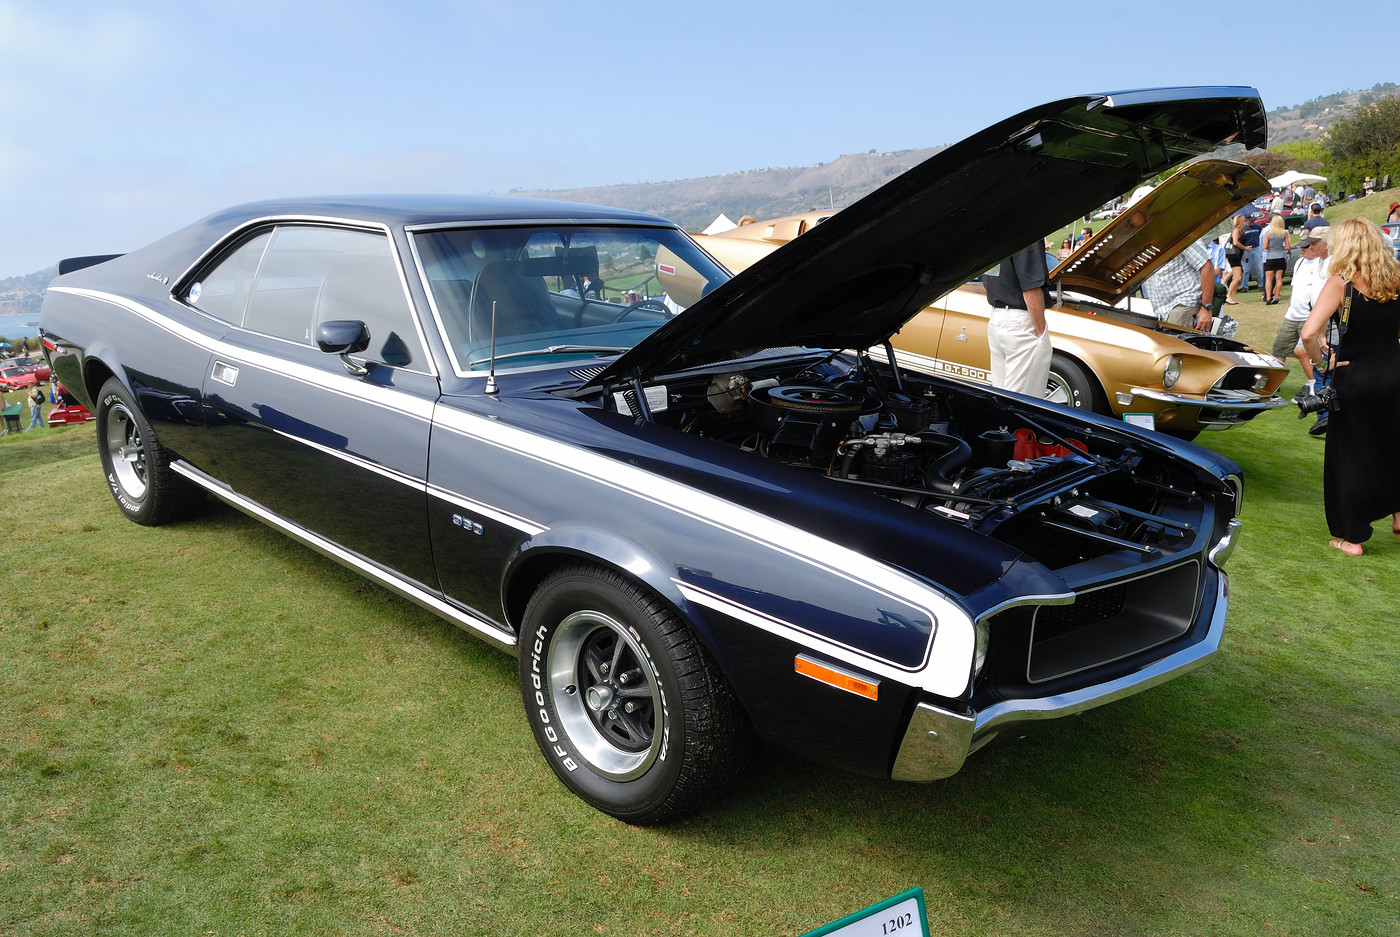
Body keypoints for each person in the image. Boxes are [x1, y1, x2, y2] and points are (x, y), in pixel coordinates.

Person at [1299, 218, 1400, 555]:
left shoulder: (1340, 284)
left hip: (1355, 377)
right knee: (1391, 445)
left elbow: (1309, 334)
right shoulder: (1396, 279)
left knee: (1353, 455)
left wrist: (1321, 361)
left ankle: (1353, 537)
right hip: (1393, 374)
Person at [1272, 227, 1330, 426]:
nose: (1304, 249)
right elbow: (1296, 288)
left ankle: (1314, 387)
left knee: (1301, 352)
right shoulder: (1299, 262)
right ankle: (1273, 387)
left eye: (1308, 246)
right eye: (1303, 246)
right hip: (1293, 314)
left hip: (1310, 316)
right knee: (1279, 349)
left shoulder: (1324, 264)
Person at [983, 242, 1052, 397]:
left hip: (997, 318)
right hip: (1020, 322)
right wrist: (1041, 332)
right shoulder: (1027, 230)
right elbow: (1031, 288)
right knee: (1020, 403)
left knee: (1001, 396)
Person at [1142, 238, 1215, 329]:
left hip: (1183, 305)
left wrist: (1206, 308)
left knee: (1175, 343)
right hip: (1161, 311)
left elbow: (1207, 266)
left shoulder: (1181, 233)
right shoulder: (1142, 240)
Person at [1261, 215, 1289, 305]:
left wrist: (1271, 246)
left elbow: (1264, 247)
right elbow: (1288, 247)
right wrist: (1281, 247)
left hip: (1270, 258)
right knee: (1279, 279)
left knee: (1268, 279)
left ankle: (1268, 297)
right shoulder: (1284, 233)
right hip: (1280, 257)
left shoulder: (1268, 233)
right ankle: (1276, 296)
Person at [1225, 215, 1246, 303]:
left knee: (1237, 277)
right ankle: (1228, 296)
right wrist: (1245, 248)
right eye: (1244, 221)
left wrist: (1242, 253)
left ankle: (1234, 297)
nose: (1245, 222)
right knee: (1238, 277)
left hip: (1237, 255)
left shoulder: (1241, 230)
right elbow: (1235, 242)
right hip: (1233, 255)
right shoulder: (1236, 230)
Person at [1240, 212, 1263, 292]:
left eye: (1253, 221)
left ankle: (1261, 285)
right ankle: (1244, 286)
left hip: (1256, 248)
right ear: (1246, 221)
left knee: (1259, 268)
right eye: (1251, 221)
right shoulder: (1243, 229)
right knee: (1246, 269)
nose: (1253, 222)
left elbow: (1261, 237)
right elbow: (1241, 241)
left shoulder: (1258, 227)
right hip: (1247, 249)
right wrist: (1242, 252)